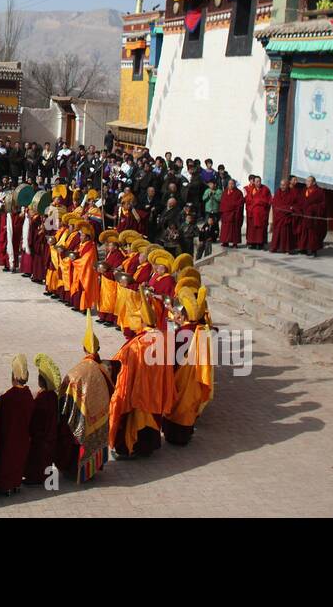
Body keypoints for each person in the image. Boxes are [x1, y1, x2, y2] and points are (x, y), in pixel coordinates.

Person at [108, 296, 175, 459]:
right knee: (152, 418)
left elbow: (121, 364)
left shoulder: (137, 344)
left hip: (139, 392)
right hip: (156, 391)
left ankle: (131, 449)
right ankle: (149, 447)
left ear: (143, 321)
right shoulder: (164, 338)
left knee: (135, 421)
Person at [57, 313, 114, 483]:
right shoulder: (103, 369)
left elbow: (64, 397)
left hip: (83, 419)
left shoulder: (77, 373)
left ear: (83, 348)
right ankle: (93, 469)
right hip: (100, 416)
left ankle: (75, 471)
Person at [164, 286, 214, 446]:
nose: (175, 317)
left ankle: (175, 437)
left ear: (184, 315)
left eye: (177, 315)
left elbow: (173, 356)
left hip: (182, 375)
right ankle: (186, 433)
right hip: (196, 377)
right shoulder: (201, 329)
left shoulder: (182, 334)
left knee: (178, 406)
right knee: (189, 405)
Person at [0, 353, 34, 496]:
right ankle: (16, 484)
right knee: (18, 461)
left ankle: (6, 487)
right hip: (23, 437)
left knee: (7, 462)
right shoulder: (28, 395)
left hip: (9, 437)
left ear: (14, 377)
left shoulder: (9, 397)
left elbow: (0, 411)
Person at [24, 353, 62, 487]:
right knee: (47, 458)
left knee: (38, 459)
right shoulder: (52, 396)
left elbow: (36, 419)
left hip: (41, 436)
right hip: (51, 435)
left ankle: (37, 478)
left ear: (41, 382)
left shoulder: (42, 399)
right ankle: (48, 479)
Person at [298, 177, 326, 256]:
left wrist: (313, 208)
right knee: (304, 233)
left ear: (314, 182)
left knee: (312, 235)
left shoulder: (320, 192)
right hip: (304, 216)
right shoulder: (304, 191)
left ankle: (313, 250)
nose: (306, 182)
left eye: (309, 181)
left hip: (313, 217)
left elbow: (323, 205)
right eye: (306, 181)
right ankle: (303, 248)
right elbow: (300, 201)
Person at [245, 176, 271, 250]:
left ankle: (260, 244)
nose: (258, 183)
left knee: (260, 229)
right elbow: (248, 200)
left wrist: (260, 202)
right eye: (256, 181)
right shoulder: (251, 190)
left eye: (259, 181)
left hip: (261, 213)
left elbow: (268, 200)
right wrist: (251, 207)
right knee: (252, 229)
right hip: (253, 213)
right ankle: (252, 243)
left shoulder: (265, 189)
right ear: (254, 182)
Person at [219, 179, 244, 248]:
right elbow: (222, 202)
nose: (231, 185)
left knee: (234, 229)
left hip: (234, 214)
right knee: (225, 229)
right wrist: (222, 212)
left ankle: (235, 243)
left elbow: (240, 203)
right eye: (229, 184)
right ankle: (225, 242)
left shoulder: (238, 193)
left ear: (235, 184)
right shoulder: (225, 192)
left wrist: (234, 208)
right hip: (226, 213)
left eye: (232, 184)